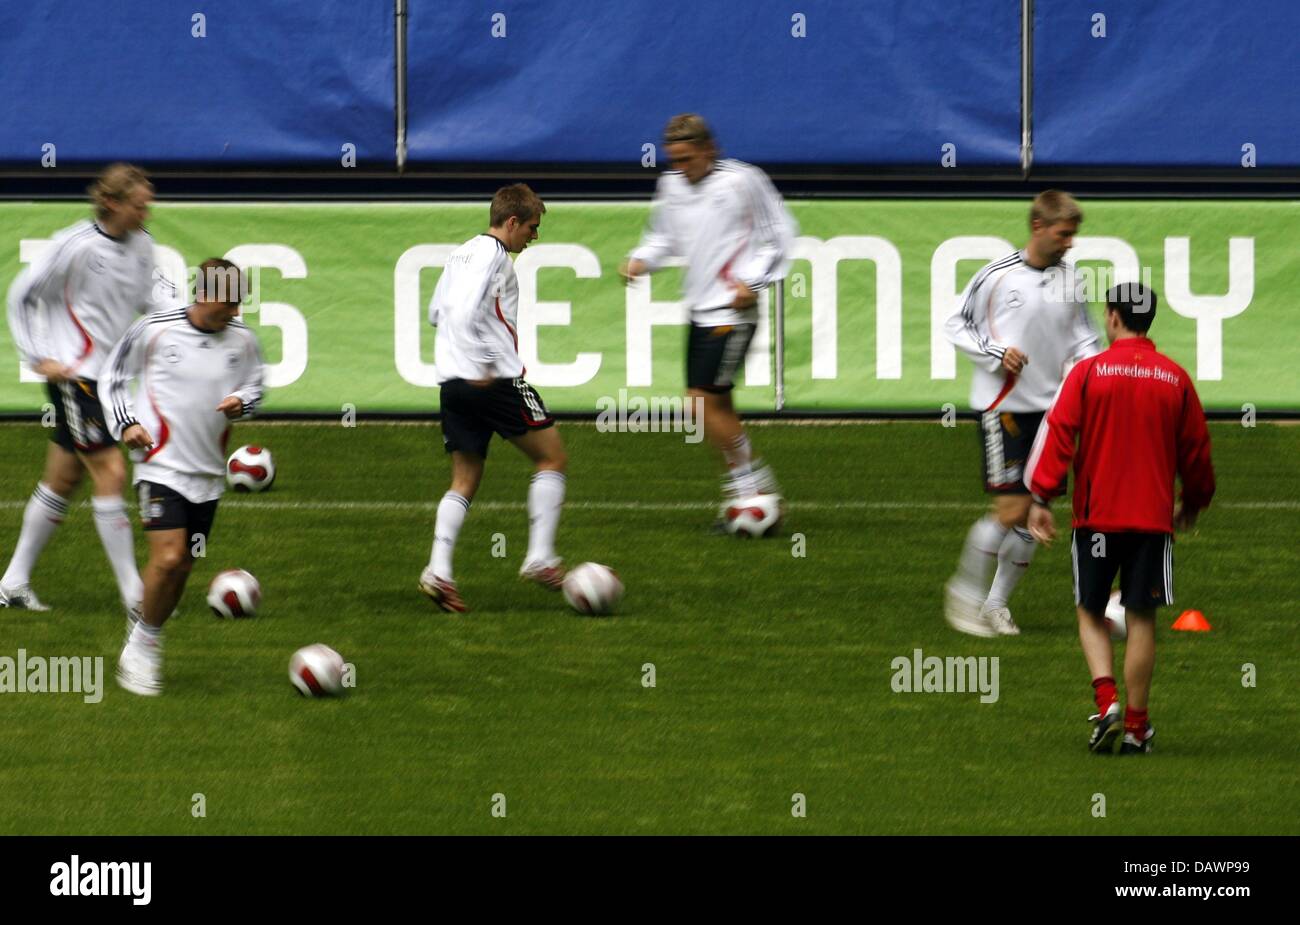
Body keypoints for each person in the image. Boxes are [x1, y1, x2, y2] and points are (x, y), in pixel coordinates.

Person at [1025, 284, 1215, 754]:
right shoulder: (1175, 378)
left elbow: (1060, 434)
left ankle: (1106, 698)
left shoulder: (1088, 374)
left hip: (1096, 521)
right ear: (1148, 321)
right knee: (1141, 616)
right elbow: (1197, 452)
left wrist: (1043, 497)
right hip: (1151, 520)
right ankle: (1135, 728)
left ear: (1112, 317)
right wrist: (1193, 501)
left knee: (1090, 610)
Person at [2, 163, 168, 617]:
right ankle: (136, 595)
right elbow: (21, 294)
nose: (147, 210)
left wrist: (185, 321)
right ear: (112, 203)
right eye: (139, 203)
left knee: (64, 477)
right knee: (111, 473)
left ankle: (13, 582)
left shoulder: (143, 246)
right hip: (76, 376)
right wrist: (37, 355)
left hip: (109, 379)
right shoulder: (73, 245)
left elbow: (153, 299)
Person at [619, 113, 795, 527]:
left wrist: (753, 280)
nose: (681, 167)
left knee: (699, 403)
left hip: (733, 312)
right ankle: (751, 495)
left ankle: (754, 491)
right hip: (700, 310)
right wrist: (642, 259)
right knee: (717, 404)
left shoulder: (743, 180)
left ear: (709, 149)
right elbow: (665, 235)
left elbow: (780, 233)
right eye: (674, 159)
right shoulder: (672, 185)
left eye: (687, 158)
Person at [100, 259, 264, 695]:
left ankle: (148, 630)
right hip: (160, 465)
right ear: (206, 295)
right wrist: (127, 424)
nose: (235, 311)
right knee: (168, 558)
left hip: (208, 474)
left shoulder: (243, 341)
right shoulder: (154, 329)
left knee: (185, 565)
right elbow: (112, 378)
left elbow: (257, 384)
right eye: (229, 303)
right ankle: (141, 648)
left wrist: (241, 401)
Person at [942, 190, 1100, 636]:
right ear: (1038, 227)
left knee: (1036, 516)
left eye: (1073, 235)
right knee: (1012, 509)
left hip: (1053, 414)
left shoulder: (1071, 280)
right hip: (1006, 407)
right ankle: (963, 598)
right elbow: (955, 322)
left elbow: (1083, 338)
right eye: (1063, 234)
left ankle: (995, 604)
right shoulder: (996, 275)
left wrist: (1091, 373)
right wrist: (995, 352)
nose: (1070, 243)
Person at [420, 183, 567, 613]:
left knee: (464, 480)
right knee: (552, 458)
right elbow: (463, 310)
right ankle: (540, 556)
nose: (534, 237)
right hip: (492, 380)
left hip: (452, 383)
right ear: (512, 221)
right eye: (532, 228)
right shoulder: (492, 255)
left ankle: (439, 571)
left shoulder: (461, 252)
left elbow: (436, 312)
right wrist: (485, 361)